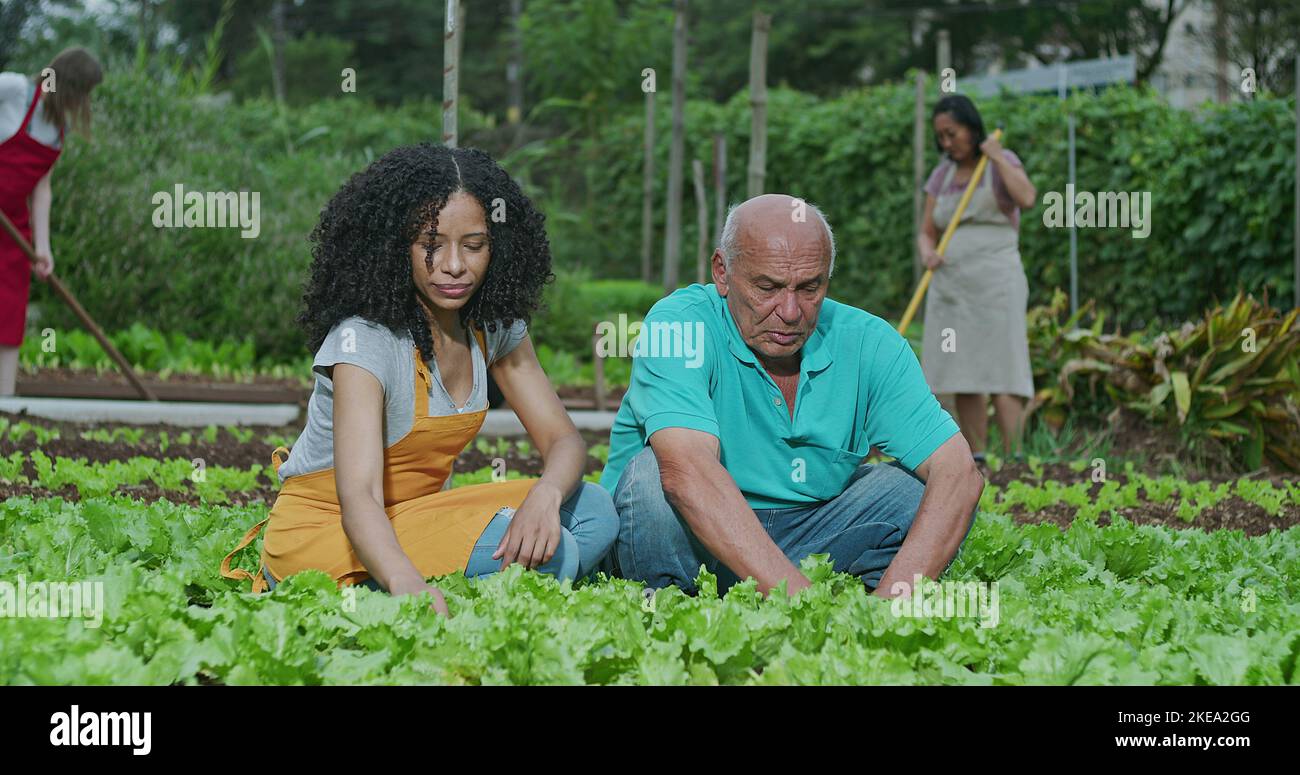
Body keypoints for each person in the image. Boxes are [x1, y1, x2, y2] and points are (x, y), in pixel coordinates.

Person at [221, 144, 618, 613]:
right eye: (431, 246)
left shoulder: (494, 327)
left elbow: (564, 441)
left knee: (592, 510)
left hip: (416, 518)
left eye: (474, 246)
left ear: (498, 248)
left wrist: (545, 496)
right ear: (396, 247)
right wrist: (408, 585)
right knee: (557, 555)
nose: (454, 265)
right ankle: (407, 589)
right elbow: (361, 498)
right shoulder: (364, 342)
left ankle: (459, 585)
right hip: (330, 531)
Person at [600, 193, 985, 597]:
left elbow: (958, 472)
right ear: (722, 272)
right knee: (652, 476)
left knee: (921, 492)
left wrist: (892, 605)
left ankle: (873, 594)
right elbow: (687, 473)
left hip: (806, 534)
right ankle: (669, 605)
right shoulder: (680, 327)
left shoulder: (868, 342)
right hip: (692, 541)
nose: (789, 311)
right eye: (768, 287)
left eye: (809, 288)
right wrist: (802, 604)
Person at [918, 94, 1037, 466]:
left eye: (952, 133)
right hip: (952, 285)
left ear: (972, 128)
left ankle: (1016, 458)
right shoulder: (942, 175)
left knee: (1005, 364)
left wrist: (998, 155)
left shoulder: (999, 163)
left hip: (996, 280)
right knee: (961, 368)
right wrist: (927, 251)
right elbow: (926, 231)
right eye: (940, 136)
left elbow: (1028, 198)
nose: (946, 143)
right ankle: (978, 458)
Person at [0, 47, 102, 396]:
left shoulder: (58, 130)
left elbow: (41, 188)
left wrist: (42, 249)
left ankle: (5, 402)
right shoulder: (14, 90)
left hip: (12, 229)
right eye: (84, 93)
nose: (84, 103)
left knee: (9, 313)